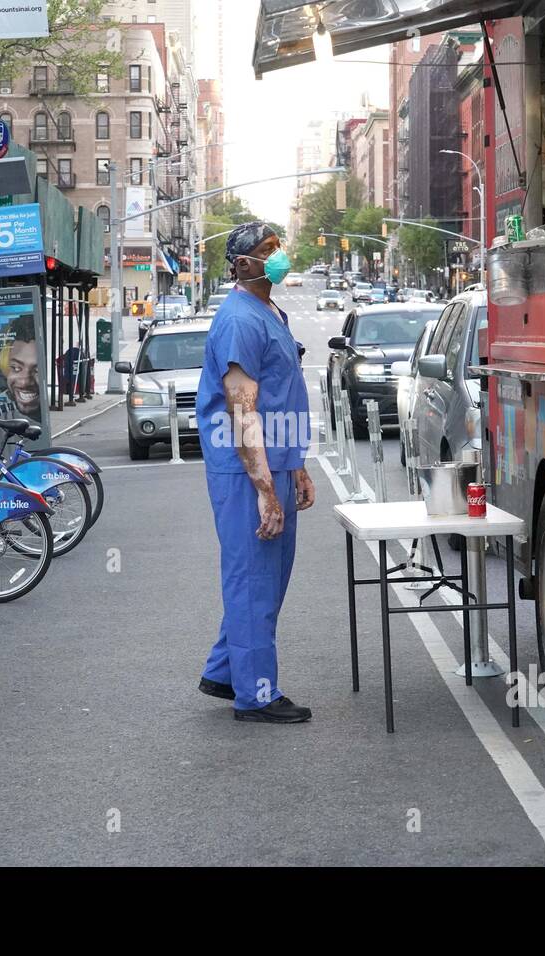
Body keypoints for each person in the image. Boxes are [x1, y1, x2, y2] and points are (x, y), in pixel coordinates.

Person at [195, 222, 317, 724]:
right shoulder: (240, 320)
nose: (278, 257)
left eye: (278, 248)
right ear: (243, 264)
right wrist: (266, 490)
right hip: (247, 473)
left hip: (275, 464)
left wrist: (296, 467)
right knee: (253, 581)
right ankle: (257, 694)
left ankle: (226, 671)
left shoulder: (269, 311)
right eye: (267, 251)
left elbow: (279, 398)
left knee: (267, 577)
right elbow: (243, 411)